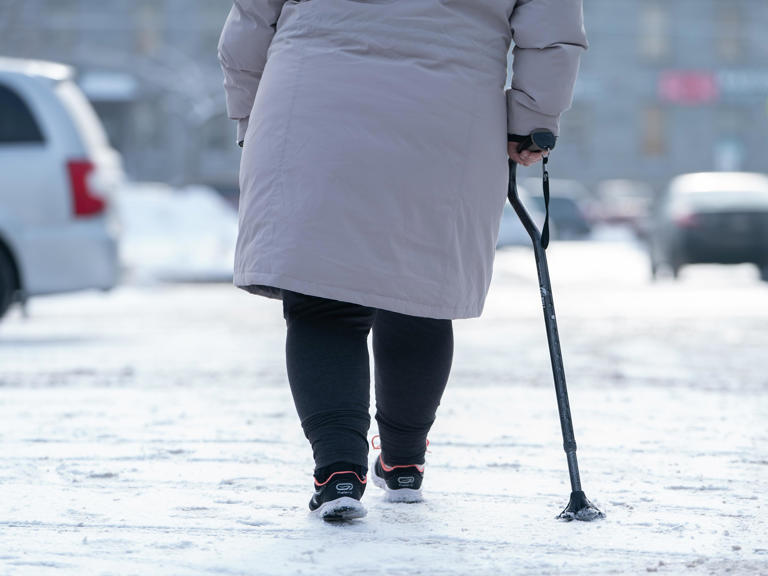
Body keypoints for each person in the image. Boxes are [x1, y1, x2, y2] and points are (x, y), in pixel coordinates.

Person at [218, 0, 587, 520]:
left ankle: (338, 471)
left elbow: (251, 20)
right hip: (451, 107)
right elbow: (551, 31)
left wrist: (250, 113)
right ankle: (404, 462)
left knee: (323, 300)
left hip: (311, 98)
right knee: (420, 291)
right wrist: (531, 121)